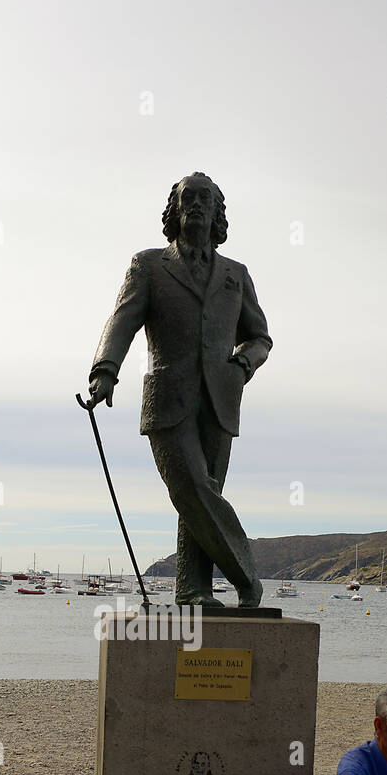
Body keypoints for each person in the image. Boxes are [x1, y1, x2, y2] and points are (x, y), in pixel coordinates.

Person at [87, 172, 271, 608]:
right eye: (188, 198)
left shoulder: (236, 274)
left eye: (205, 198)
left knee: (199, 499)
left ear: (217, 211)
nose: (196, 205)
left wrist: (243, 364)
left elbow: (260, 336)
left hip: (222, 397)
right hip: (168, 396)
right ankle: (247, 575)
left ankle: (194, 590)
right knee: (190, 487)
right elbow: (122, 320)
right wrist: (105, 370)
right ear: (174, 209)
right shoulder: (149, 265)